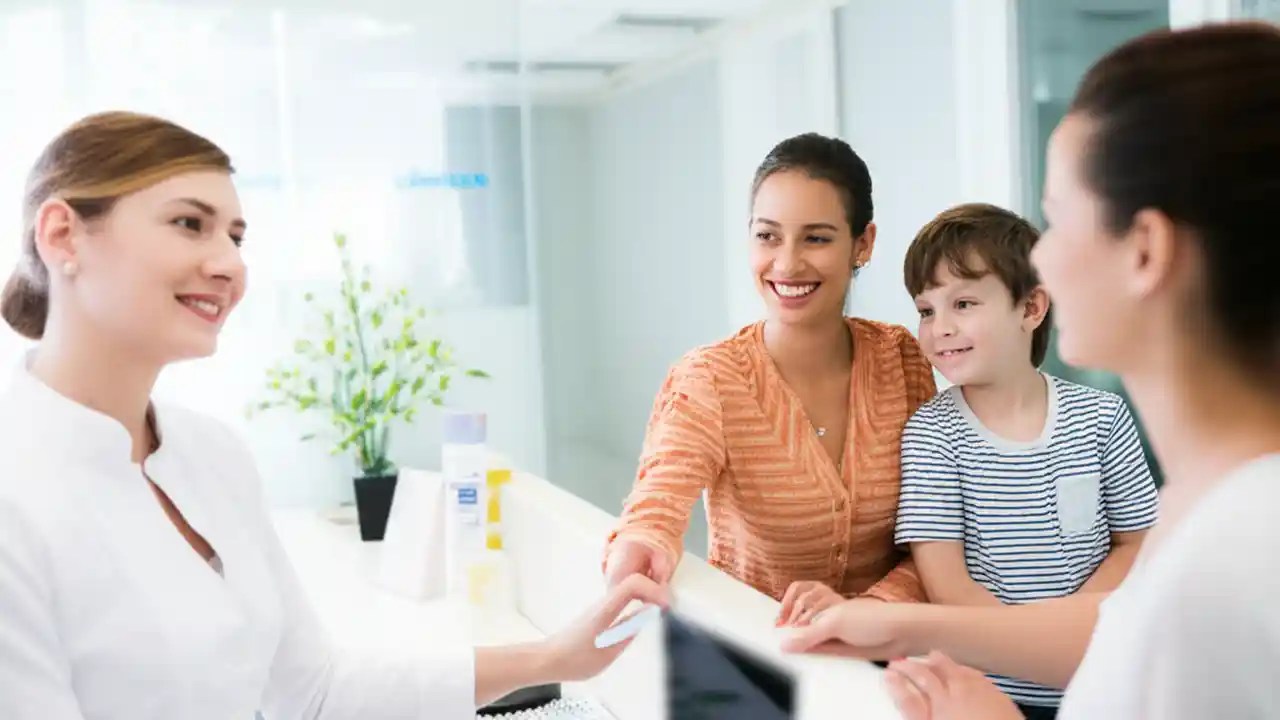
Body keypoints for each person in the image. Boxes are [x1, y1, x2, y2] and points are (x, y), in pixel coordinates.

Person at [0, 111, 666, 720]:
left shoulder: (210, 453)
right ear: (63, 236)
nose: (230, 264)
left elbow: (313, 693)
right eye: (189, 224)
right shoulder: (16, 497)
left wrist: (555, 658)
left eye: (236, 236)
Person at [780, 22, 1280, 719]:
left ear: (1144, 251)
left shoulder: (1224, 560)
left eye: (1059, 219)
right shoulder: (1217, 514)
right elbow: (1118, 632)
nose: (1041, 261)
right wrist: (901, 625)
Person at [603, 133, 937, 621]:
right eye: (768, 235)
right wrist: (642, 542)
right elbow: (657, 504)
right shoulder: (710, 378)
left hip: (886, 664)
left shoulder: (901, 358)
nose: (786, 262)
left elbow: (935, 539)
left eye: (817, 238)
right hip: (758, 666)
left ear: (862, 244)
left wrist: (867, 614)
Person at [895, 203, 1158, 718]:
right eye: (926, 310)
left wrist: (1066, 633)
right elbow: (945, 581)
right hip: (988, 693)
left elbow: (1137, 543)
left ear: (1030, 309)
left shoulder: (1102, 416)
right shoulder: (931, 435)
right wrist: (1028, 650)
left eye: (964, 303)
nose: (939, 327)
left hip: (1099, 678)